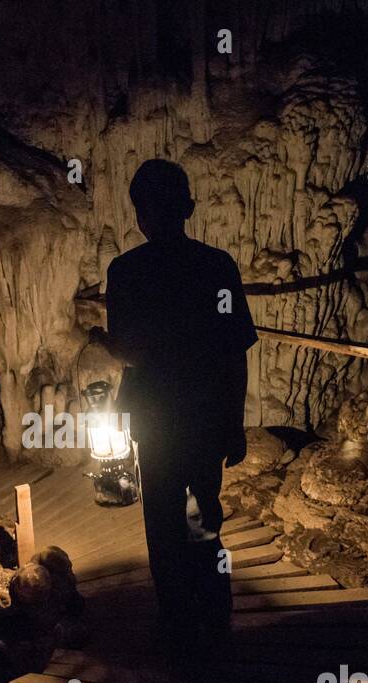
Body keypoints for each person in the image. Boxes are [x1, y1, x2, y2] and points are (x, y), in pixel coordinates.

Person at [103, 159, 257, 647]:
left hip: (155, 418)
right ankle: (214, 618)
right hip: (206, 415)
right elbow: (234, 351)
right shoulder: (217, 267)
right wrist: (235, 422)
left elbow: (132, 351)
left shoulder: (127, 271)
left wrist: (98, 341)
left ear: (142, 217)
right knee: (203, 518)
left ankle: (176, 622)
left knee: (164, 522)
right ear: (187, 208)